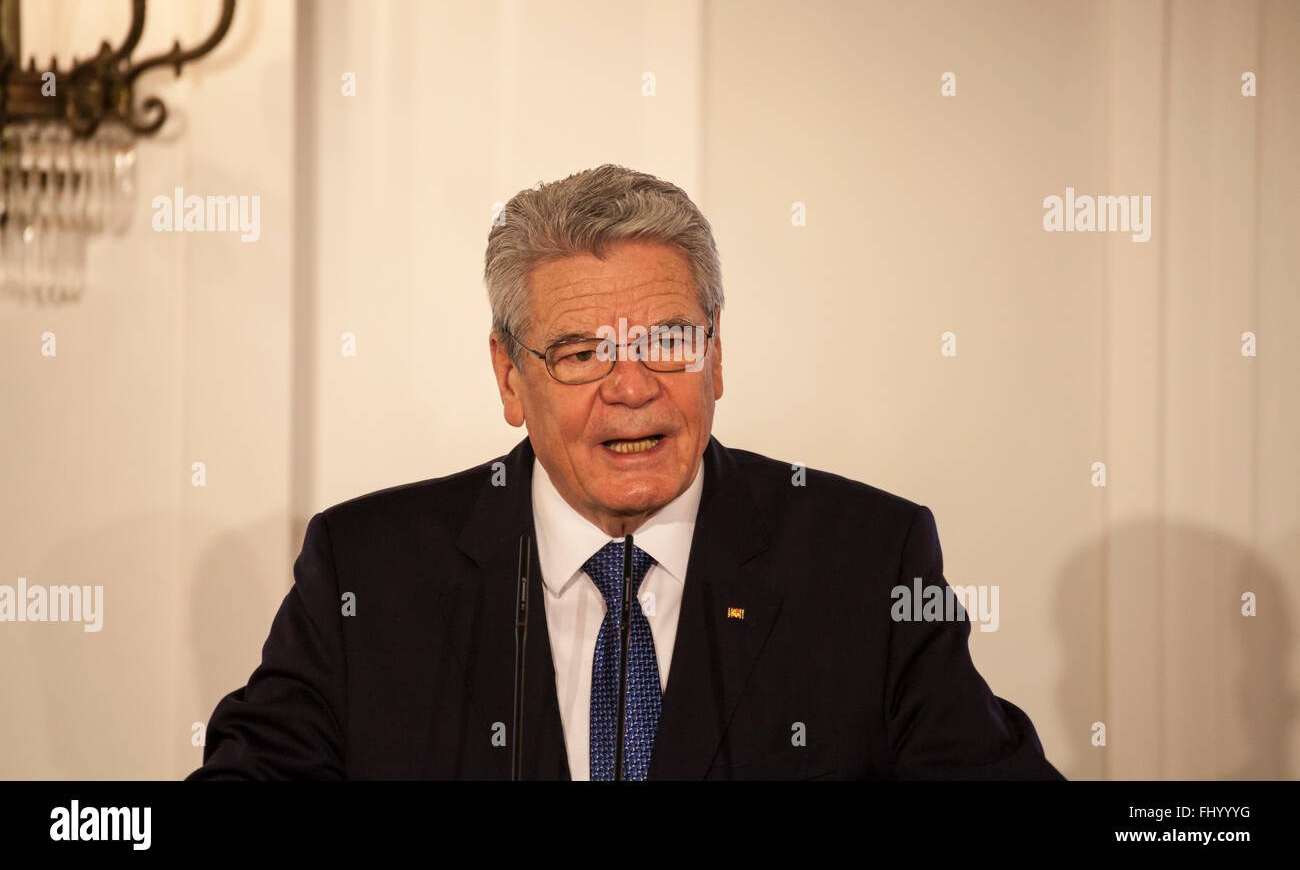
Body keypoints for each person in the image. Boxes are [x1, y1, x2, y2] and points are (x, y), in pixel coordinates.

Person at [190, 164, 1063, 780]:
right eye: (579, 353)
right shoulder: (369, 571)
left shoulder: (865, 560)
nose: (633, 387)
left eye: (669, 342)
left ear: (716, 355)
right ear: (508, 376)